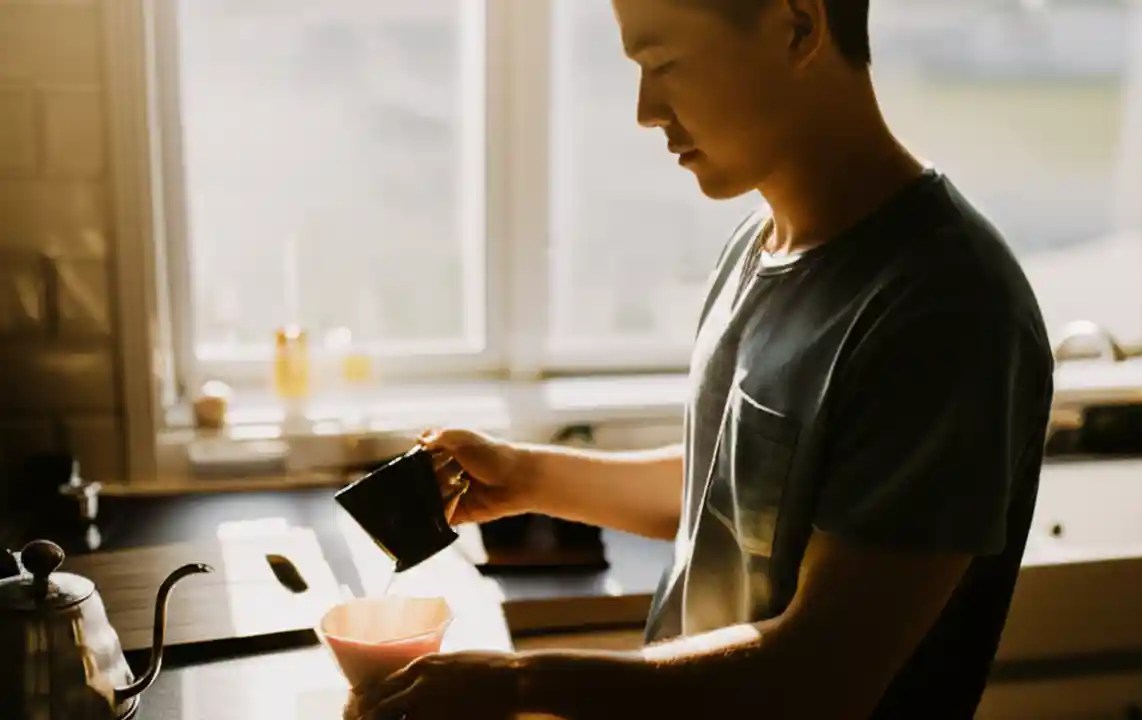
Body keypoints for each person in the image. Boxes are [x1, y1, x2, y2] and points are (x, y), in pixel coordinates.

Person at [348, 0, 1053, 717]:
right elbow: (739, 492)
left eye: (664, 65)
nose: (645, 110)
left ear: (799, 26)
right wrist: (525, 476)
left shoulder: (943, 307)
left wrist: (519, 684)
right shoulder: (760, 246)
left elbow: (823, 676)